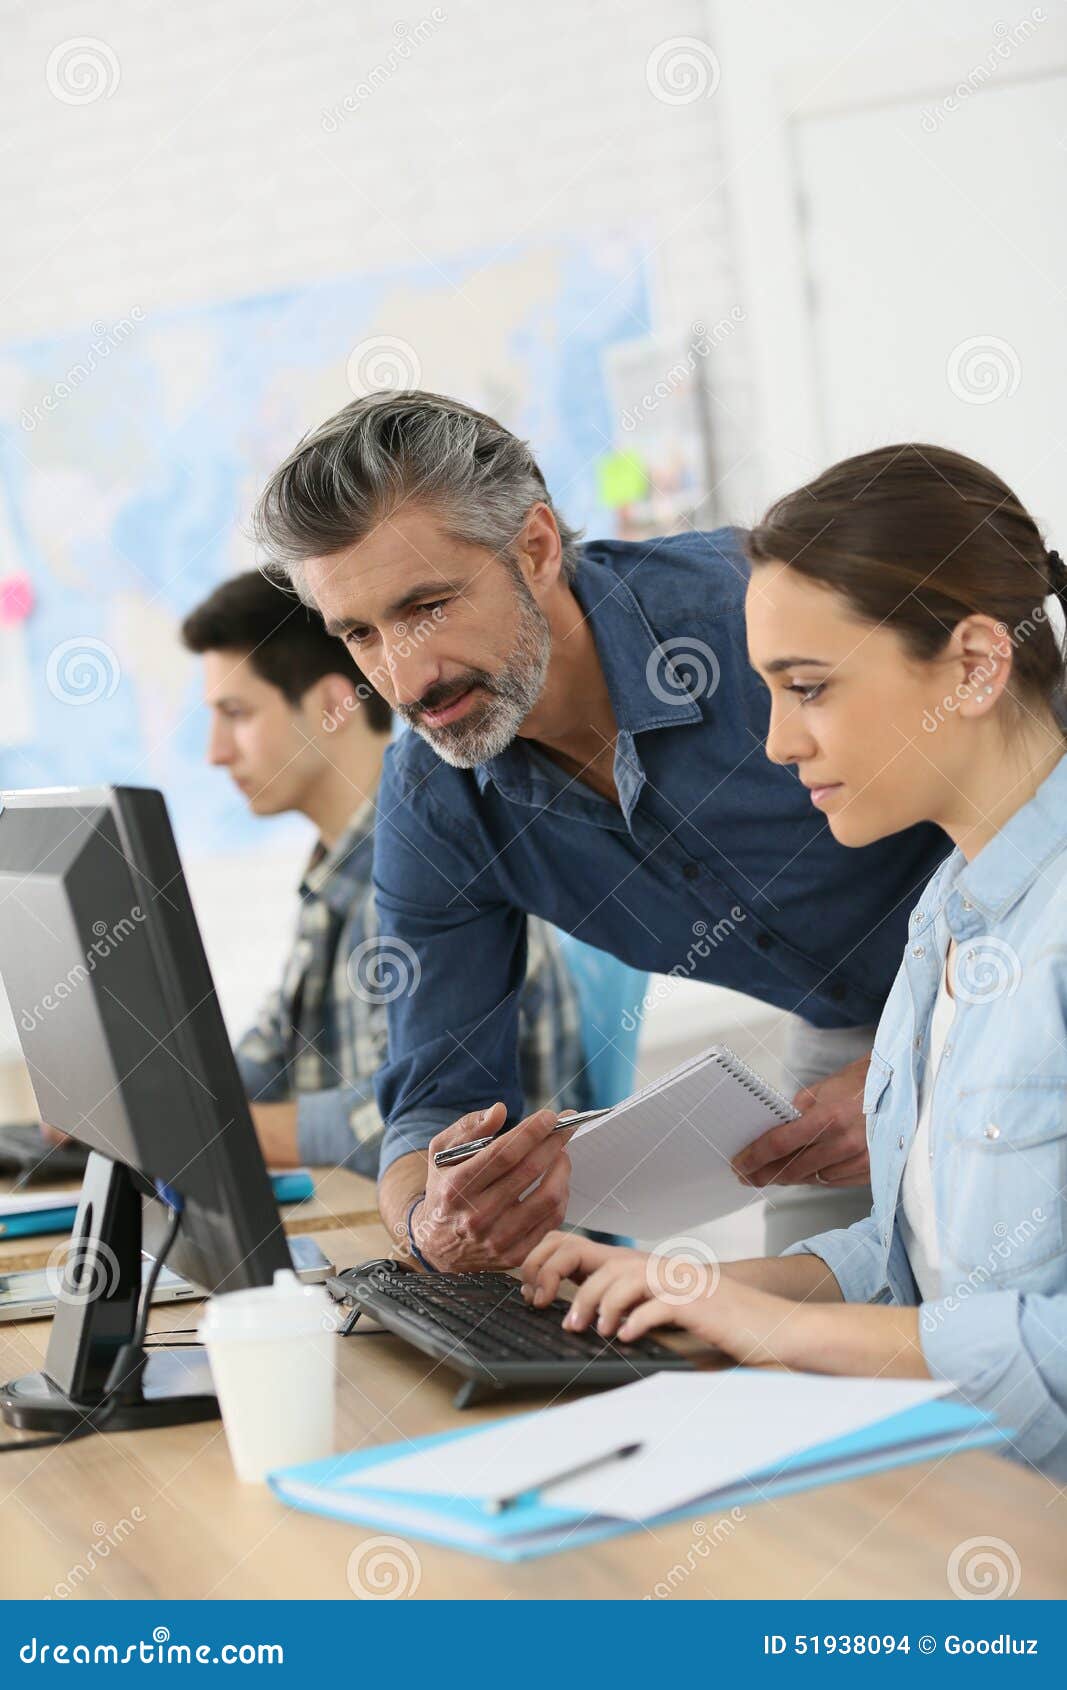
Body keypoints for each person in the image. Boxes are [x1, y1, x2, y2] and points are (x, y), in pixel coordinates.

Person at [253, 391, 950, 1269]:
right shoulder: (437, 798)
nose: (403, 677)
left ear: (534, 548)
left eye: (426, 606)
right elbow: (433, 1101)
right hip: (847, 1034)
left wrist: (927, 1058)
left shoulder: (755, 616)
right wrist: (428, 1220)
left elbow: (1032, 809)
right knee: (793, 1357)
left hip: (1020, 971)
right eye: (358, 633)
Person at [521, 444, 1067, 1477]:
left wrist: (773, 1328)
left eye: (807, 687)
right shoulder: (944, 911)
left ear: (975, 665)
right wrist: (690, 1292)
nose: (775, 742)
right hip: (961, 1499)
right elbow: (914, 1271)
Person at [179, 570, 588, 1175]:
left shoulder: (426, 871)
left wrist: (223, 1127)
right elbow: (267, 1063)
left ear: (330, 706)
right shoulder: (332, 877)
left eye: (235, 713)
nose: (215, 752)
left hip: (514, 1253)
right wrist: (160, 1097)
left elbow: (413, 1126)